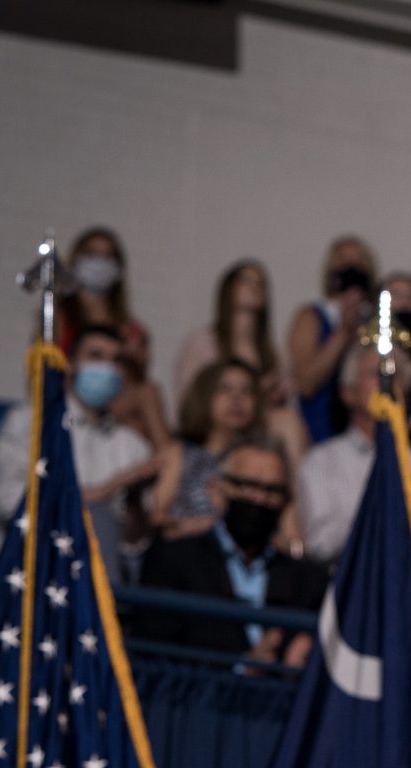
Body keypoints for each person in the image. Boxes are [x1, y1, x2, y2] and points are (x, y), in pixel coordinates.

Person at [134, 439, 328, 667]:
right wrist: (245, 667)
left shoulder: (308, 579)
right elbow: (155, 661)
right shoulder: (172, 561)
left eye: (271, 491)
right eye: (247, 486)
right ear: (216, 491)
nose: (259, 499)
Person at [0, 324, 156, 578]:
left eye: (117, 360)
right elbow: (10, 501)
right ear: (70, 363)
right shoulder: (29, 422)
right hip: (30, 570)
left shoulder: (133, 446)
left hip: (100, 583)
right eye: (95, 356)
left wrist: (134, 507)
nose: (107, 368)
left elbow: (136, 545)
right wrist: (103, 491)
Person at [297, 343, 411, 562]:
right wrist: (387, 506)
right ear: (348, 393)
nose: (386, 384)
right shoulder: (322, 462)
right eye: (375, 374)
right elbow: (321, 544)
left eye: (394, 376)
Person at [151, 359, 303, 550]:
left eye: (246, 392)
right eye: (225, 389)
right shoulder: (179, 453)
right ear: (204, 396)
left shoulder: (268, 462)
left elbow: (291, 538)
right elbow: (157, 519)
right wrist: (210, 527)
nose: (236, 399)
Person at [173, 260, 311, 461]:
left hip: (260, 429)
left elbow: (290, 403)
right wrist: (255, 391)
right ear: (228, 289)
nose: (254, 287)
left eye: (260, 283)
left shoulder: (274, 353)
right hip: (212, 428)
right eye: (245, 281)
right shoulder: (201, 343)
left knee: (290, 424)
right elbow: (189, 400)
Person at [52, 226, 169, 451]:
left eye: (108, 256)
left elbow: (132, 384)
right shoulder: (59, 318)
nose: (100, 263)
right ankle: (171, 463)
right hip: (73, 401)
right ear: (76, 259)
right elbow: (49, 372)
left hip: (115, 403)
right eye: (92, 254)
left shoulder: (133, 330)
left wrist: (132, 361)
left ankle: (166, 466)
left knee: (138, 420)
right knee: (144, 405)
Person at [285, 235, 377, 443]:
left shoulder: (379, 320)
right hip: (319, 432)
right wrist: (343, 332)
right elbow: (306, 385)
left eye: (359, 259)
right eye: (343, 259)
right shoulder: (311, 316)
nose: (351, 266)